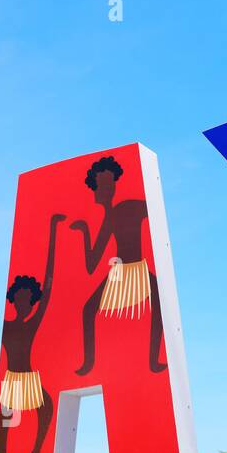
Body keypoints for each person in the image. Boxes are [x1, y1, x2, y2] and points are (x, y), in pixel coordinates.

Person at [0, 212, 64, 453]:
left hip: (30, 380)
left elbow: (48, 286)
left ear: (29, 301)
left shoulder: (32, 321)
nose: (21, 302)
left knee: (48, 409)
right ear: (13, 299)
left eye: (25, 298)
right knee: (3, 443)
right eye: (17, 297)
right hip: (11, 381)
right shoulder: (6, 326)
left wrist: (53, 232)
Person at [71, 156, 166, 375]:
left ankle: (154, 360)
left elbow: (152, 210)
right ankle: (89, 363)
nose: (106, 189)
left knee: (159, 300)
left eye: (109, 184)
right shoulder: (109, 218)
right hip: (119, 275)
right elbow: (92, 264)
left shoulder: (129, 206)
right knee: (88, 309)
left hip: (138, 270)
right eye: (102, 186)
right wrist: (85, 232)